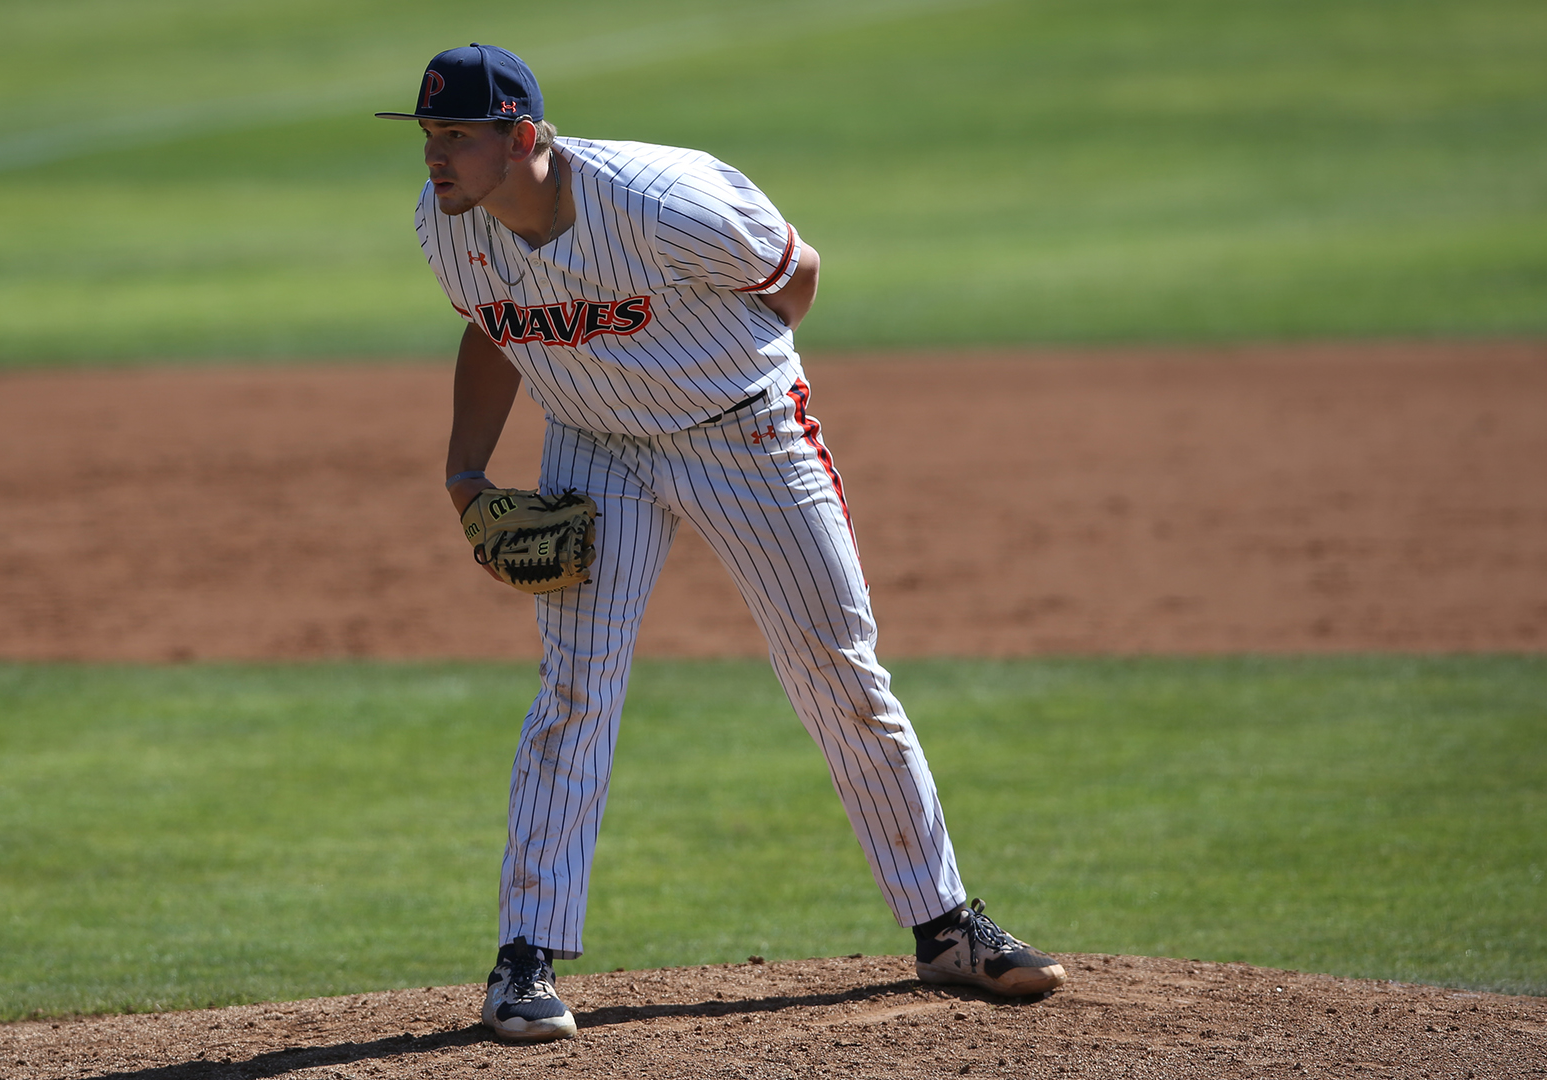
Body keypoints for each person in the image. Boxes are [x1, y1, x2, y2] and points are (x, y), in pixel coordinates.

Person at [377, 44, 1064, 1044]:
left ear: (523, 136)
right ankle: (522, 964)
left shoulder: (665, 201)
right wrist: (464, 474)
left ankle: (946, 927)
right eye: (429, 136)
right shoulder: (450, 231)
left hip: (742, 435)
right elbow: (494, 330)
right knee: (574, 687)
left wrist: (714, 379)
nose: (435, 157)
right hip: (594, 446)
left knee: (836, 667)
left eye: (457, 136)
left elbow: (796, 279)